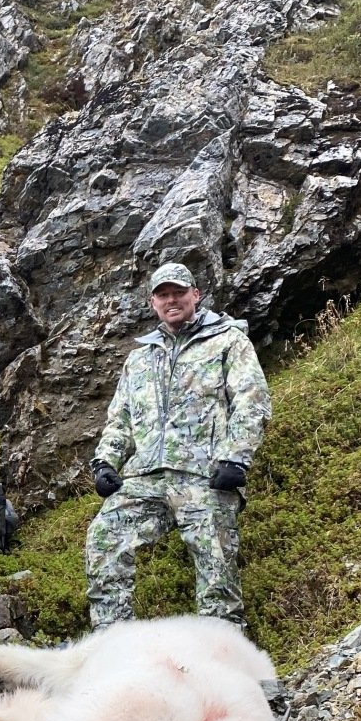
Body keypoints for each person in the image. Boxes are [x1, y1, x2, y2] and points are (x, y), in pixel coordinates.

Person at [86, 261, 271, 629]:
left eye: (179, 292)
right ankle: (112, 640)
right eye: (163, 295)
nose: (171, 300)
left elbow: (252, 400)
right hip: (145, 477)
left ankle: (222, 647)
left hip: (206, 476)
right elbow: (121, 418)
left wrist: (236, 458)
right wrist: (105, 462)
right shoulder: (139, 358)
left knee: (215, 562)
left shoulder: (228, 341)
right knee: (103, 537)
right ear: (153, 303)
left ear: (195, 295)